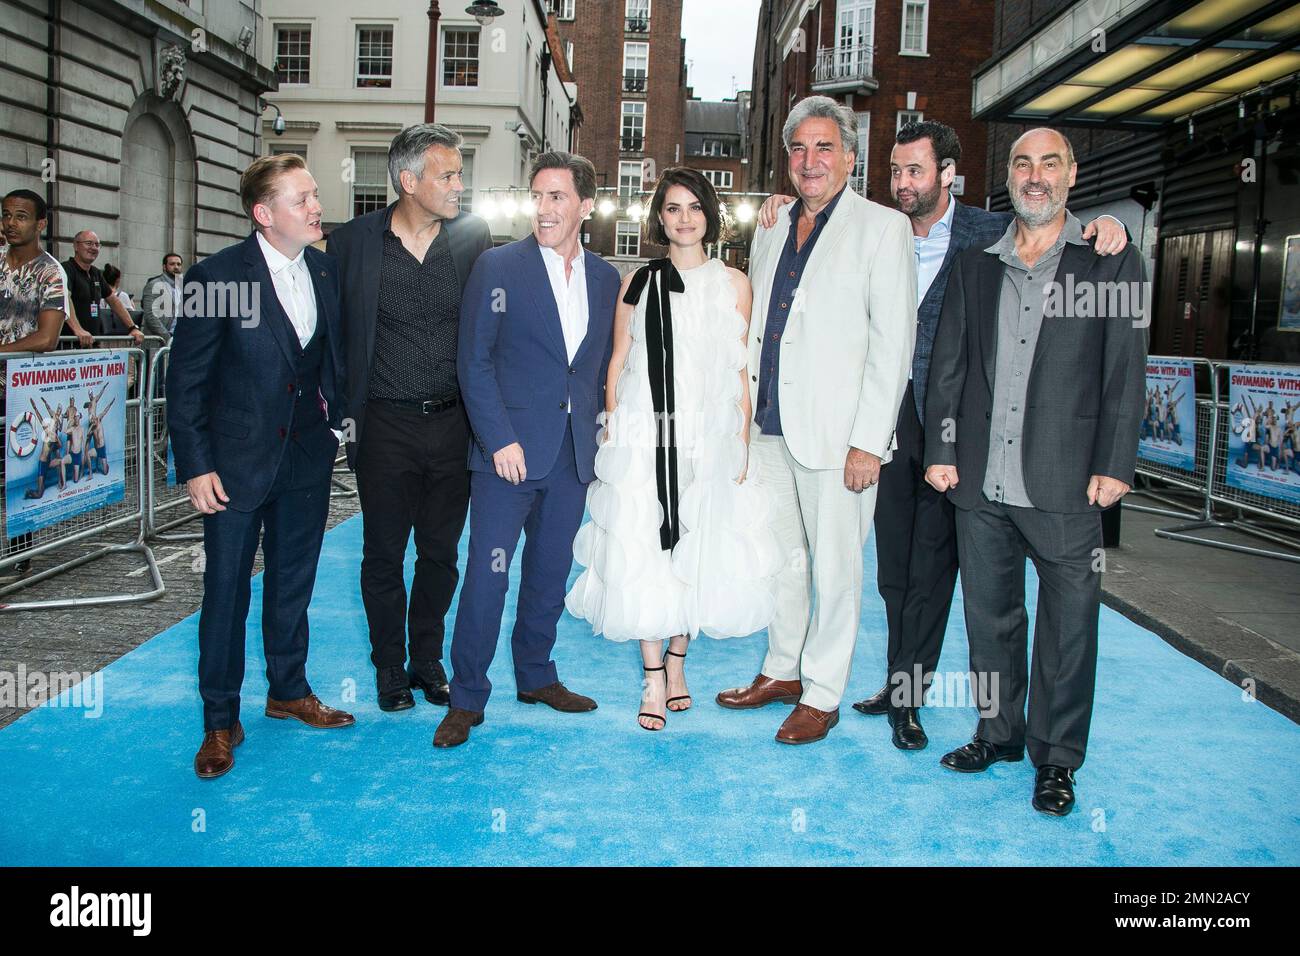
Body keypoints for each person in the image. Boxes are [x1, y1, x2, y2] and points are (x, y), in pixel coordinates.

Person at [758, 121, 1129, 750]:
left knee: (937, 571)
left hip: (955, 432)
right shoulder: (874, 226)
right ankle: (906, 691)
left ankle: (915, 700)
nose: (903, 183)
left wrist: (1105, 225)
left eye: (916, 171)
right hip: (886, 423)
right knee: (896, 573)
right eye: (896, 171)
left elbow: (1052, 228)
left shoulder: (990, 235)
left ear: (948, 173)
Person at [923, 127, 1148, 816]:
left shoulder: (1110, 261)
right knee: (990, 618)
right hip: (980, 481)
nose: (1036, 175)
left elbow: (1125, 372)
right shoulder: (973, 265)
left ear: (1072, 174)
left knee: (1069, 626)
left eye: (1050, 163)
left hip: (1069, 480)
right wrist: (940, 446)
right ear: (1009, 177)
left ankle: (1056, 760)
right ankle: (999, 733)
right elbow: (949, 368)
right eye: (1023, 163)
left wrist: (1116, 463)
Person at [713, 96, 916, 745]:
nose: (810, 160)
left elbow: (893, 345)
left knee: (835, 571)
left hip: (839, 439)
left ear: (850, 157)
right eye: (799, 149)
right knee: (784, 562)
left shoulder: (883, 229)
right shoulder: (772, 223)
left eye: (824, 147)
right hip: (771, 425)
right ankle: (784, 671)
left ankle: (824, 691)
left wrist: (870, 442)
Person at [565, 167, 778, 731]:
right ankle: (653, 676)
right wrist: (612, 427)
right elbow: (617, 361)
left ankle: (679, 664)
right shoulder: (639, 281)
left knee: (694, 548)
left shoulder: (734, 284)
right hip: (642, 436)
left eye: (693, 207)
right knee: (646, 549)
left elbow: (741, 371)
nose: (684, 218)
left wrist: (741, 440)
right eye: (673, 208)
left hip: (706, 439)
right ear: (659, 218)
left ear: (709, 214)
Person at [167, 153, 355, 779]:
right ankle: (219, 721)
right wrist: (195, 467)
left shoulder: (325, 271)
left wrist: (335, 424)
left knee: (293, 583)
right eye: (301, 199)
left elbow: (331, 358)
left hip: (306, 458)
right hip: (233, 466)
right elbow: (186, 383)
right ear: (263, 214)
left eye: (314, 194)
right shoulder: (218, 276)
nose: (316, 207)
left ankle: (287, 690)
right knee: (225, 594)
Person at [435, 151, 620, 748]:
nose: (544, 209)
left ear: (585, 206)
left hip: (571, 458)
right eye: (538, 196)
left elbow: (595, 369)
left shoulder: (605, 278)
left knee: (548, 574)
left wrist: (606, 425)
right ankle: (466, 696)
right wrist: (499, 441)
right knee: (488, 578)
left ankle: (537, 676)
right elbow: (475, 362)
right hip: (505, 460)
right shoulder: (498, 269)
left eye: (558, 197)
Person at [327, 124, 493, 712]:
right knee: (382, 554)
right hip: (383, 427)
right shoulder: (351, 244)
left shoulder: (474, 239)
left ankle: (428, 658)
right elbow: (333, 336)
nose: (458, 185)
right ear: (408, 180)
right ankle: (389, 669)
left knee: (441, 554)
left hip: (453, 426)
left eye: (458, 174)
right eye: (447, 175)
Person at [1, 189, 66, 584]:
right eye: (6, 215)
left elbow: (47, 339)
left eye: (21, 216)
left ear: (40, 224)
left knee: (18, 474)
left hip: (22, 392)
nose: (10, 223)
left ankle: (20, 554)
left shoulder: (49, 272)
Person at [63, 231, 144, 345]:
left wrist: (132, 328)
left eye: (97, 245)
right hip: (69, 344)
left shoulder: (96, 273)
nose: (94, 248)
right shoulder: (65, 270)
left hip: (92, 343)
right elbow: (64, 299)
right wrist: (78, 330)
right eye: (89, 243)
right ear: (76, 246)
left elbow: (113, 300)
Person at [140, 252, 184, 343]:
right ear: (164, 267)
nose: (176, 267)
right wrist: (167, 337)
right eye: (172, 264)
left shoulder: (183, 286)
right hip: (158, 341)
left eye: (179, 264)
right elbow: (150, 315)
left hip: (179, 339)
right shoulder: (154, 285)